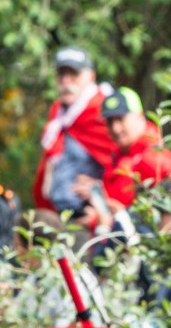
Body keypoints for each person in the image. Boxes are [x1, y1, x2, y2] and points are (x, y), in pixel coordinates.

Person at [33, 46, 116, 226]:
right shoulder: (58, 113)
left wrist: (101, 193)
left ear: (91, 76)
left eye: (74, 75)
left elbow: (125, 162)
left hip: (94, 215)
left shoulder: (105, 109)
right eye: (61, 75)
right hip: (59, 215)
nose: (66, 81)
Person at [76, 86, 171, 214]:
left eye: (120, 119)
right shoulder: (118, 157)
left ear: (139, 116)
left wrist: (122, 216)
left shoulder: (154, 158)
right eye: (109, 122)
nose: (115, 128)